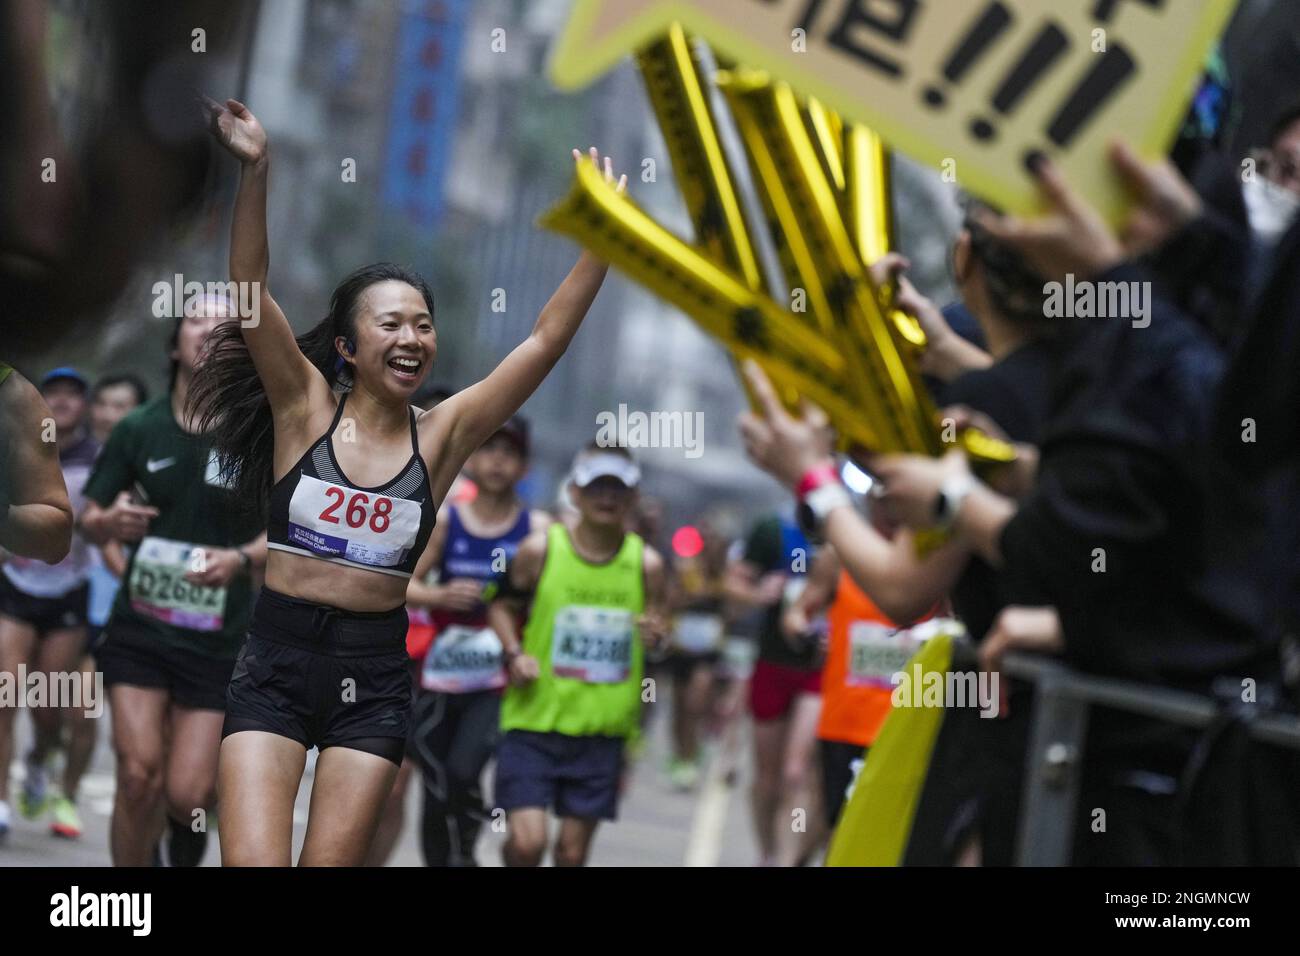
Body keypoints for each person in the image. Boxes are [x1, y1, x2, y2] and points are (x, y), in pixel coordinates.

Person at [193, 96, 626, 866]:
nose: (412, 338)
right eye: (390, 324)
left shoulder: (446, 434)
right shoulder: (302, 408)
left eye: (423, 324)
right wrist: (257, 169)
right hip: (275, 663)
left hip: (374, 677)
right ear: (348, 348)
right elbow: (250, 285)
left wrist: (602, 235)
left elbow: (545, 341)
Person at [79, 296, 268, 867]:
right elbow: (87, 520)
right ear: (172, 345)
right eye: (195, 318)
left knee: (189, 795)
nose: (208, 328)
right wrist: (109, 523)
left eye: (223, 323)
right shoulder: (139, 428)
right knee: (137, 776)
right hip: (140, 631)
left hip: (217, 641)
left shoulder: (258, 433)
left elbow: (286, 529)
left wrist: (239, 559)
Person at [487, 444, 666, 866]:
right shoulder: (540, 550)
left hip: (602, 731)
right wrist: (515, 654)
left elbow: (660, 631)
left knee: (571, 853)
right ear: (575, 492)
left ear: (633, 497)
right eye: (597, 488)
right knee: (528, 844)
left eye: (618, 490)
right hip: (534, 722)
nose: (607, 499)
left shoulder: (648, 564)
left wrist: (657, 635)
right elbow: (499, 604)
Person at [405, 416, 549, 866]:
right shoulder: (448, 522)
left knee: (464, 769)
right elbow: (402, 582)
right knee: (434, 778)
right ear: (471, 461)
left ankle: (464, 850)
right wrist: (439, 594)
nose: (497, 462)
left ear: (524, 467)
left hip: (497, 678)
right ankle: (445, 858)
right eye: (488, 450)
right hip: (441, 672)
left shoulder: (538, 530)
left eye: (509, 454)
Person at [0, 367, 97, 841]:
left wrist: (103, 524)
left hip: (66, 591)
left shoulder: (95, 457)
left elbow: (82, 523)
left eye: (71, 395)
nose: (60, 402)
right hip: (17, 585)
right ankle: (0, 801)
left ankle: (39, 759)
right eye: (53, 392)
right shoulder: (17, 431)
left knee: (47, 706)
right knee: (5, 690)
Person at [725, 512, 823, 867]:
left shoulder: (847, 532)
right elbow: (733, 583)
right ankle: (767, 850)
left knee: (795, 773)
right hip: (772, 666)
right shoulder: (773, 531)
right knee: (767, 780)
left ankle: (788, 857)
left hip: (817, 672)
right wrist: (757, 593)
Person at [663, 518, 729, 791]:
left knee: (696, 704)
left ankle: (691, 756)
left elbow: (737, 604)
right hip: (681, 648)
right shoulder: (685, 570)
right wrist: (686, 595)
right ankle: (680, 755)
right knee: (679, 709)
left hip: (707, 652)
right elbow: (669, 602)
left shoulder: (724, 575)